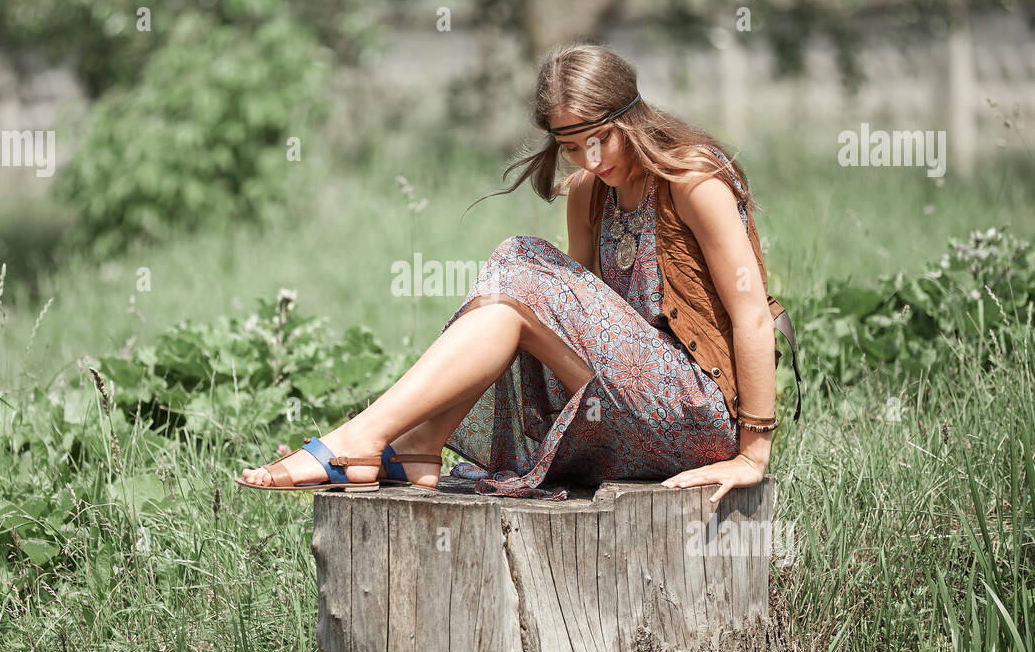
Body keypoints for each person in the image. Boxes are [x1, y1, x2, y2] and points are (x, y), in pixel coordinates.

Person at [236, 42, 800, 501]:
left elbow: (750, 315)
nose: (592, 160)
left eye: (599, 139)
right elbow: (574, 326)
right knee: (516, 280)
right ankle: (414, 446)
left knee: (520, 262)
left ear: (630, 113)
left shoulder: (692, 179)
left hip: (698, 415)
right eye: (571, 146)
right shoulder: (588, 192)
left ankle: (365, 439)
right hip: (622, 412)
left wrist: (753, 455)